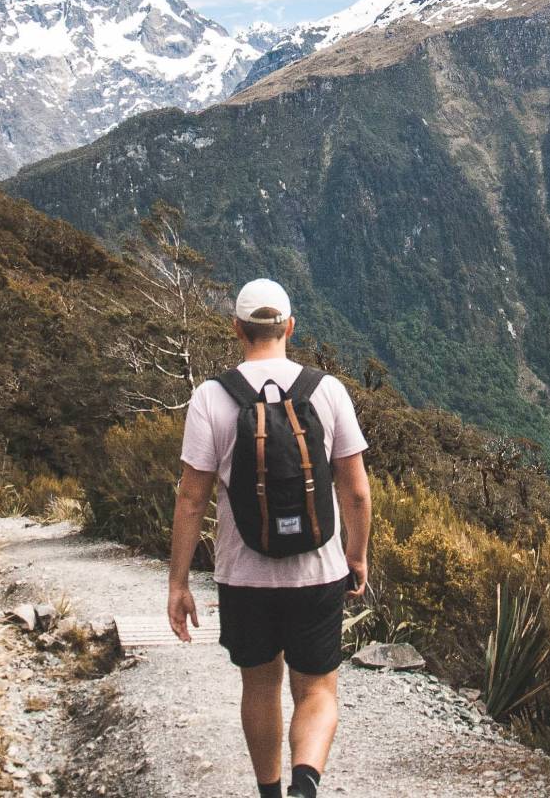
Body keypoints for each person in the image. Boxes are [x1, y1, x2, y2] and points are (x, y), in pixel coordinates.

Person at [167, 278, 372, 798]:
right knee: (318, 689)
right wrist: (356, 556)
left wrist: (178, 583)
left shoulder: (211, 396)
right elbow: (356, 493)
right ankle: (307, 784)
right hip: (318, 572)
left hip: (244, 576)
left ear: (236, 329)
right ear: (289, 328)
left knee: (260, 687)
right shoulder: (327, 390)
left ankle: (272, 793)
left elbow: (191, 498)